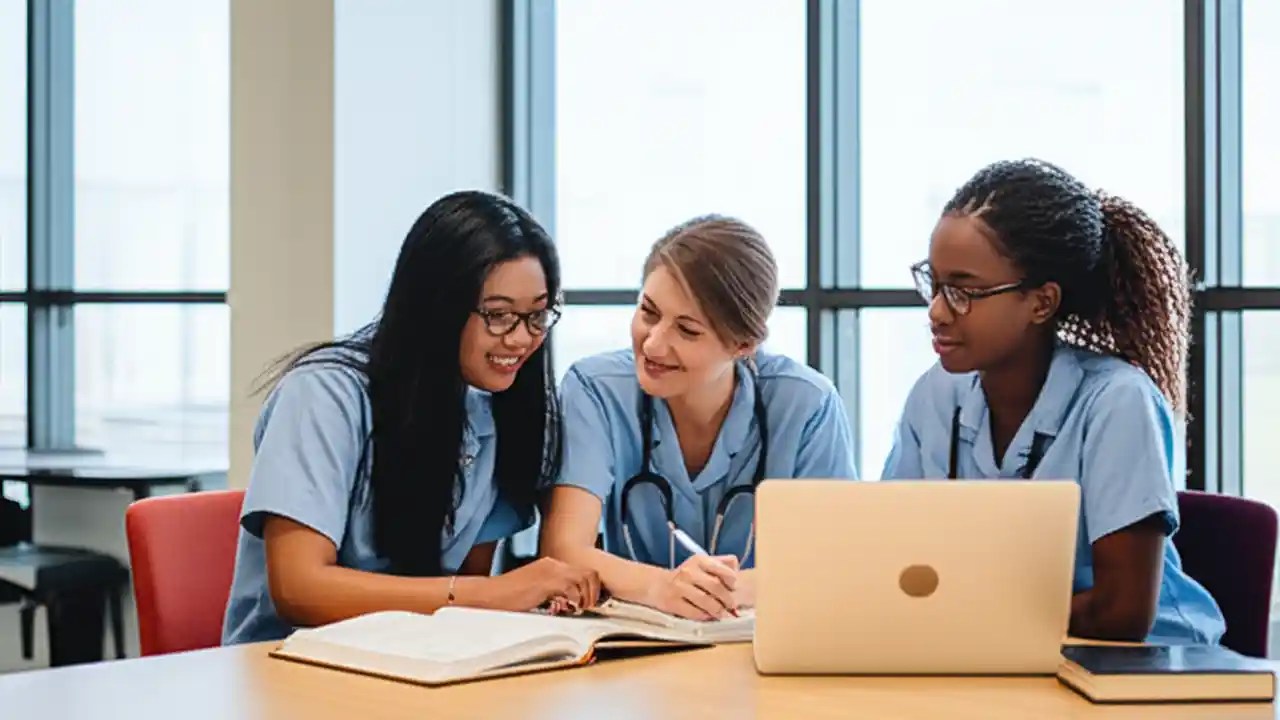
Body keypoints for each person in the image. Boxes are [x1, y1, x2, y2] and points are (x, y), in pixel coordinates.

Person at [222, 191, 600, 645]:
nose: (521, 339)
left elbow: (467, 596)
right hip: (287, 669)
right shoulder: (323, 396)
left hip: (418, 664)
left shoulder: (500, 408)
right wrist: (491, 594)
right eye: (498, 316)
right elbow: (299, 590)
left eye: (537, 315)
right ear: (437, 307)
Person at [882, 158, 1226, 644]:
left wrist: (968, 617)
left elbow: (1121, 613)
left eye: (964, 291)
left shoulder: (1116, 402)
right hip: (998, 655)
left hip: (1144, 668)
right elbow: (888, 559)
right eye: (934, 285)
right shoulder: (935, 395)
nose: (937, 312)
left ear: (1041, 303)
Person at [540, 215, 857, 621]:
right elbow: (562, 550)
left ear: (744, 344)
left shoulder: (806, 404)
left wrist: (718, 590)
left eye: (687, 331)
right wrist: (661, 587)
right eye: (648, 313)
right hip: (635, 647)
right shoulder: (596, 390)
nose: (653, 344)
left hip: (764, 645)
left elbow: (833, 563)